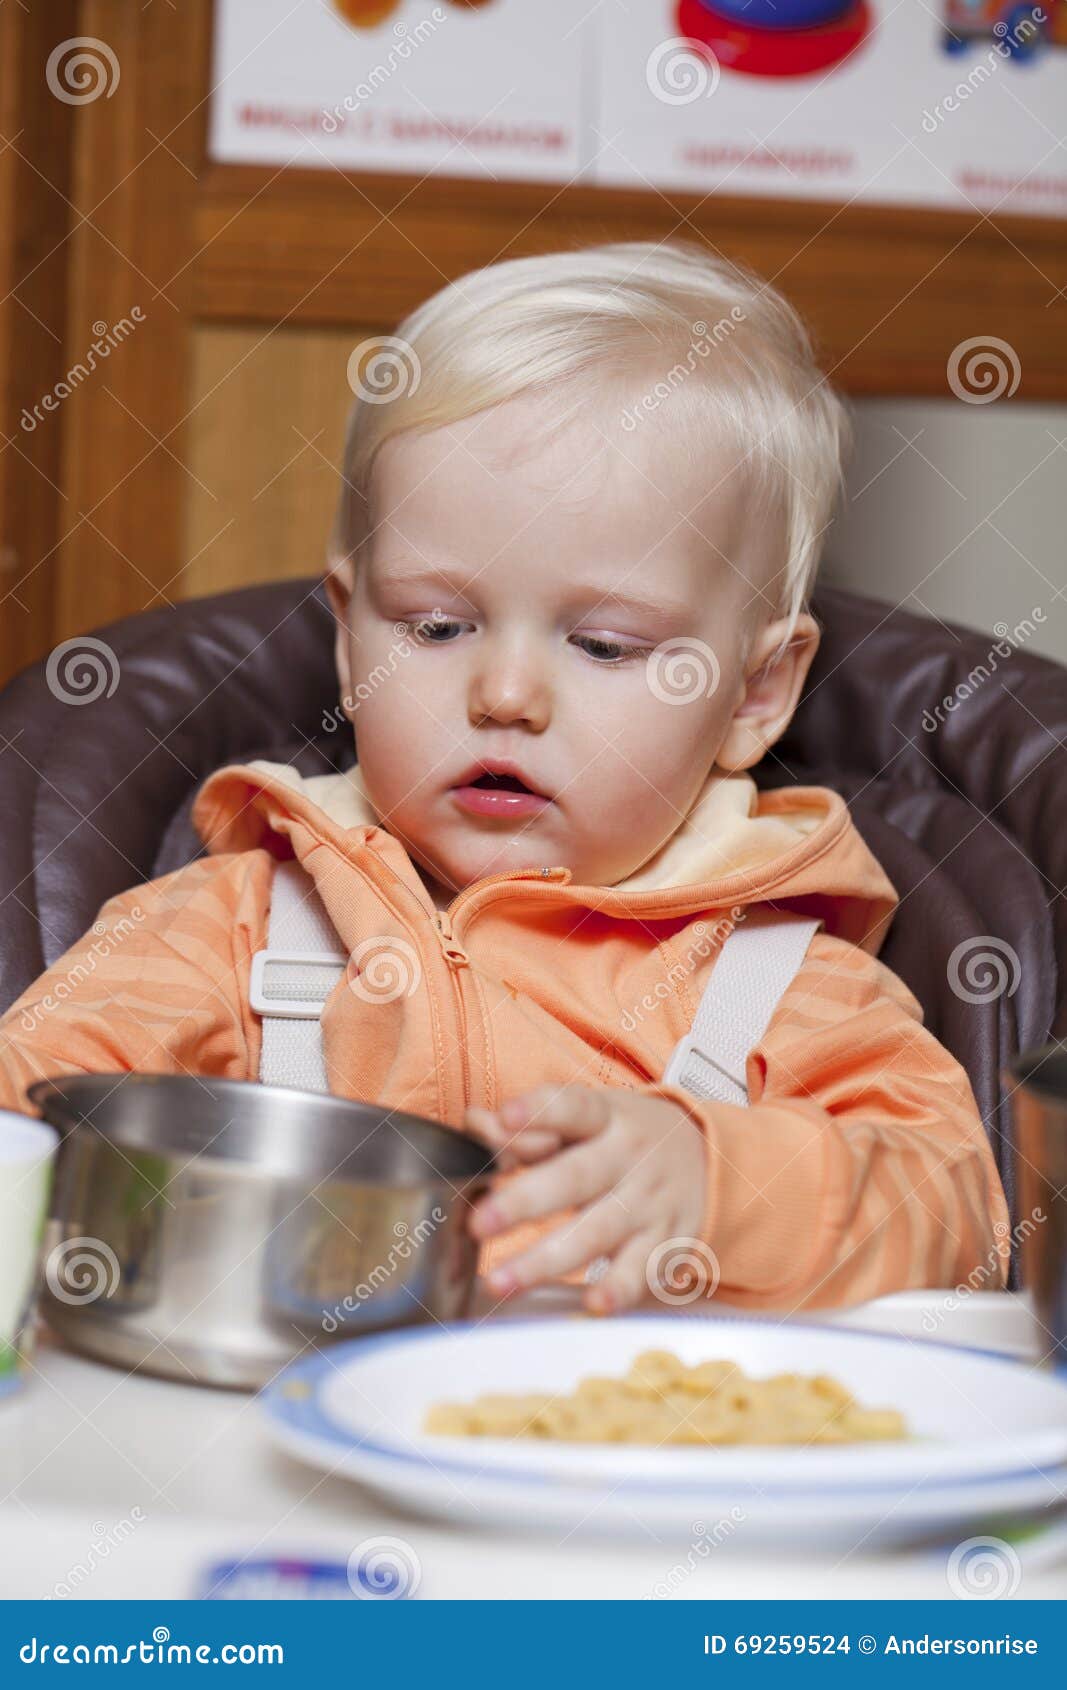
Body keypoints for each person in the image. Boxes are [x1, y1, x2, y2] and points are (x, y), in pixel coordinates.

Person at [0, 240, 1010, 1314]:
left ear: (754, 691)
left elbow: (958, 1221)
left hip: (623, 1464)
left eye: (606, 646)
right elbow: (23, 1117)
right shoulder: (233, 927)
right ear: (350, 641)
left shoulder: (781, 981)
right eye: (436, 626)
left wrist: (717, 1182)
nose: (506, 694)